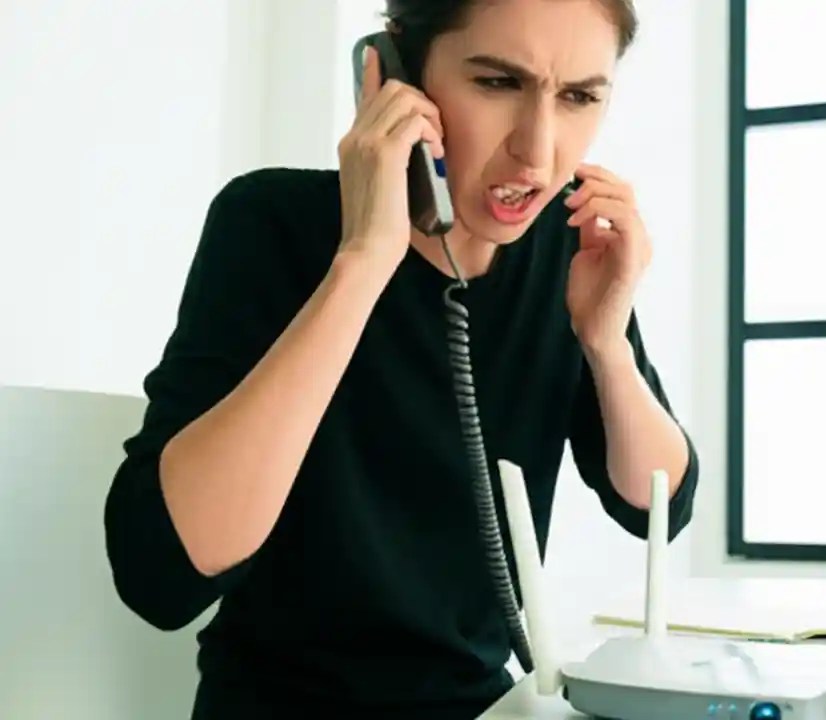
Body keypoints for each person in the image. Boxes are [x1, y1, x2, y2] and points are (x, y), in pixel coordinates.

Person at [102, 0, 699, 717]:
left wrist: (606, 342)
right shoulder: (268, 224)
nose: (538, 152)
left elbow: (659, 504)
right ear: (394, 77)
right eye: (496, 83)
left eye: (577, 97)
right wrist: (362, 261)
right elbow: (159, 576)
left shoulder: (566, 249)